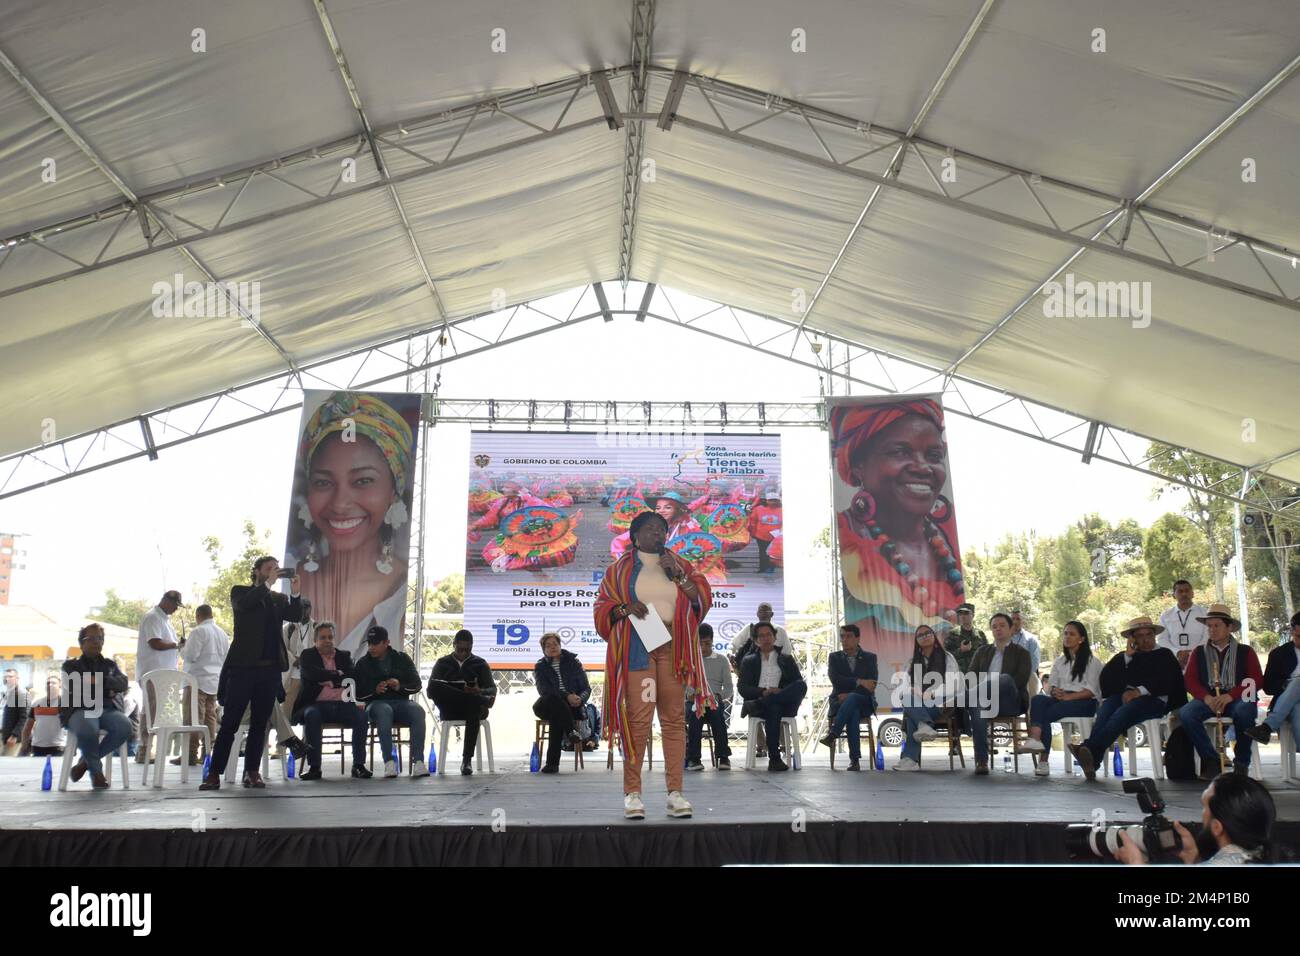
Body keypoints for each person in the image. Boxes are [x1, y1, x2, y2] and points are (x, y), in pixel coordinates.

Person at [594, 509, 714, 819]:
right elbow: (602, 608)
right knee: (639, 722)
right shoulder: (618, 570)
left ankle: (676, 793)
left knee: (674, 720)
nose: (658, 534)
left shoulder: (679, 564)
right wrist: (622, 608)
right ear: (635, 536)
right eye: (650, 529)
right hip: (638, 646)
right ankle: (633, 795)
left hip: (674, 647)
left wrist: (681, 576)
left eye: (661, 529)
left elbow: (700, 599)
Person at [830, 399, 966, 671]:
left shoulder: (945, 544)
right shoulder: (852, 545)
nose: (922, 467)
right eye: (900, 452)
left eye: (934, 456)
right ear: (858, 465)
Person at [289, 392, 415, 655]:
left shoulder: (402, 593)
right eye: (323, 482)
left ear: (393, 489)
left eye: (363, 481)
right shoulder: (290, 577)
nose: (340, 503)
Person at [199, 557, 302, 790]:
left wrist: (295, 594)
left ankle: (252, 772)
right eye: (269, 569)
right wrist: (266, 585)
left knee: (260, 724)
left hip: (269, 669)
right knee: (230, 723)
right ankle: (214, 773)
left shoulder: (278, 599)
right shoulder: (240, 592)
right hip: (242, 668)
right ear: (256, 571)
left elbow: (295, 615)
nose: (273, 572)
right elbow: (245, 606)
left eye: (276, 569)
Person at [1069, 616, 1186, 781]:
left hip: (1155, 700)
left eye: (1148, 635)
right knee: (1107, 708)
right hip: (1126, 697)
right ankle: (1091, 759)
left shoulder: (1164, 655)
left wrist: (1139, 691)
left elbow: (1168, 682)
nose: (1145, 639)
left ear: (1154, 635)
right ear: (1133, 638)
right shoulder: (1126, 657)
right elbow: (1107, 681)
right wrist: (1127, 657)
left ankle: (1088, 750)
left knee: (1123, 712)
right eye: (1140, 636)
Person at [1117, 773, 1281, 865]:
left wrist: (1135, 862)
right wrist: (1193, 859)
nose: (1202, 814)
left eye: (1205, 807)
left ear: (1217, 827)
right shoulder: (1268, 858)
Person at [1178, 604, 1264, 778]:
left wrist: (1230, 695)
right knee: (1187, 713)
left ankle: (1241, 763)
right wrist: (1206, 697)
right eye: (1209, 626)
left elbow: (1256, 680)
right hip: (1209, 698)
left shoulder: (1245, 651)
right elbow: (1189, 680)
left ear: (1229, 627)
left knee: (1245, 711)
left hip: (1239, 697)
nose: (1212, 630)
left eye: (1216, 625)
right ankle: (1211, 759)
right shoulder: (1199, 652)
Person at [1023, 620, 1101, 776]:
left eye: (1072, 634)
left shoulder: (1092, 661)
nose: (1067, 637)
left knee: (1047, 712)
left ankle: (1042, 758)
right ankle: (1037, 739)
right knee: (1038, 699)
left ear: (1081, 639)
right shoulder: (1060, 661)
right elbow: (1051, 685)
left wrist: (1068, 697)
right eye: (1065, 633)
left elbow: (1091, 691)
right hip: (1062, 698)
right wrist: (1054, 692)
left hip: (1085, 701)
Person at [294, 621, 371, 780]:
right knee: (311, 716)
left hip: (342, 704)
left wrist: (326, 679)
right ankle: (314, 767)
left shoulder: (344, 655)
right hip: (316, 705)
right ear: (315, 641)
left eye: (330, 637)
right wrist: (337, 675)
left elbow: (352, 677)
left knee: (362, 717)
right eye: (323, 637)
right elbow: (312, 675)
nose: (327, 640)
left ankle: (358, 765)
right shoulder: (307, 655)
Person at [60, 624, 133, 789]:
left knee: (124, 726)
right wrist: (108, 687)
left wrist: (98, 681)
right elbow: (76, 686)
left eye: (100, 638)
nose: (96, 642)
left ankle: (84, 764)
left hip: (107, 709)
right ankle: (97, 773)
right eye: (91, 638)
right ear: (81, 643)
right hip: (79, 709)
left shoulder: (110, 665)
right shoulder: (71, 666)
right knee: (88, 727)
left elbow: (123, 683)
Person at [353, 625, 427, 778]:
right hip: (376, 704)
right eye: (369, 643)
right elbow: (358, 694)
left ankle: (418, 762)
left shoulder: (402, 658)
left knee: (418, 711)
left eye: (375, 643)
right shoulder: (362, 663)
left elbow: (417, 684)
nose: (371, 647)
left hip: (401, 702)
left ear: (386, 642)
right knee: (384, 711)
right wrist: (375, 690)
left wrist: (399, 685)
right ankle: (389, 762)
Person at [966, 613, 1032, 775]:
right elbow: (970, 677)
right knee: (977, 706)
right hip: (986, 701)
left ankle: (962, 699)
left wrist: (991, 688)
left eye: (1002, 625)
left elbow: (1021, 681)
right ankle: (982, 760)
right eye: (994, 626)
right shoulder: (982, 651)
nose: (998, 629)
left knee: (1005, 679)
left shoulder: (1021, 652)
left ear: (1011, 629)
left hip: (1010, 700)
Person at [737, 621, 807, 771]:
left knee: (801, 685)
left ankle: (763, 702)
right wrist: (763, 692)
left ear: (775, 637)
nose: (766, 638)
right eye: (761, 636)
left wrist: (779, 691)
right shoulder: (749, 661)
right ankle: (774, 759)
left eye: (769, 634)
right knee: (773, 706)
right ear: (756, 640)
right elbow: (742, 688)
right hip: (763, 703)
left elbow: (798, 684)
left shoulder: (786, 659)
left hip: (784, 704)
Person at [428, 629, 497, 775]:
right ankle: (475, 699)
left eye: (467, 649)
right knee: (435, 685)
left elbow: (492, 689)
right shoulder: (443, 663)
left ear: (472, 646)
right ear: (454, 645)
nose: (464, 653)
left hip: (473, 709)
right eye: (460, 649)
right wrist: (458, 690)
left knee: (473, 706)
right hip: (450, 707)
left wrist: (479, 691)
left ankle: (467, 760)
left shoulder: (480, 663)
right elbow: (431, 691)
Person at [894, 623, 960, 771]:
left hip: (942, 703)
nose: (925, 637)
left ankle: (910, 759)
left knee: (912, 714)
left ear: (934, 636)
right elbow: (901, 687)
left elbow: (953, 684)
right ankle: (924, 725)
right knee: (906, 697)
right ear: (916, 641)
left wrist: (932, 693)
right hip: (919, 703)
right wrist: (912, 689)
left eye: (928, 633)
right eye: (920, 635)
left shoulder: (947, 657)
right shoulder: (911, 663)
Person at [819, 623, 878, 770]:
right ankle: (854, 760)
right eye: (842, 637)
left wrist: (851, 692)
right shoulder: (834, 657)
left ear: (858, 638)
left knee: (853, 700)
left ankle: (834, 733)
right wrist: (859, 681)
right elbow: (836, 680)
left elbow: (871, 685)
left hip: (865, 700)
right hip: (839, 701)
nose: (844, 640)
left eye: (849, 636)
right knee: (853, 712)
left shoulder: (870, 658)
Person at [532, 632, 592, 773]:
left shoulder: (573, 662)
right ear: (543, 649)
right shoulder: (541, 666)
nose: (552, 647)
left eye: (555, 644)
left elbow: (586, 688)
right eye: (548, 645)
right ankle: (571, 730)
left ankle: (552, 764)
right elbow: (544, 690)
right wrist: (567, 696)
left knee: (557, 716)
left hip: (570, 708)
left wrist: (580, 699)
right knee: (554, 700)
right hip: (546, 704)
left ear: (560, 645)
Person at [134, 589, 182, 764]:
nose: (176, 609)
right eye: (175, 605)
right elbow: (155, 642)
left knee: (152, 710)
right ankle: (145, 748)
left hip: (161, 674)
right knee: (150, 710)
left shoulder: (163, 619)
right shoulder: (153, 617)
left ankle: (146, 748)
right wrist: (176, 645)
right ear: (166, 601)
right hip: (153, 672)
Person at [179, 604, 228, 766]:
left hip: (196, 681)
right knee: (210, 717)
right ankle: (208, 752)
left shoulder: (198, 631)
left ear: (198, 616)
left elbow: (190, 656)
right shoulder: (222, 634)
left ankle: (190, 754)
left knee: (193, 719)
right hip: (215, 681)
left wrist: (182, 647)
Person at [1247, 610, 1300, 750]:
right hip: (1287, 702)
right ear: (1291, 632)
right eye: (1298, 636)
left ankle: (1267, 727)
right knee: (1298, 708)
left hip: (1283, 706)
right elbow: (1268, 686)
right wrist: (1287, 686)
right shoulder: (1279, 654)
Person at [685, 623, 733, 771]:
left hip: (714, 701)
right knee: (695, 714)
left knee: (717, 713)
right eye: (700, 644)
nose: (704, 648)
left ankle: (723, 757)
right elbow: (684, 685)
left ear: (712, 641)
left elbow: (729, 688)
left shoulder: (722, 660)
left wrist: (718, 696)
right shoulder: (691, 661)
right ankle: (694, 759)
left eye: (707, 643)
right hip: (694, 701)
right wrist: (691, 694)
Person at [610, 491, 701, 559]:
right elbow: (618, 542)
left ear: (677, 509)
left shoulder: (688, 524)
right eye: (658, 508)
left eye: (668, 507)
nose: (661, 511)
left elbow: (702, 542)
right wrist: (623, 562)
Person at [1157, 579, 1209, 667]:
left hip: (1199, 659)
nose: (1184, 594)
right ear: (1174, 595)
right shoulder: (1165, 616)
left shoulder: (1204, 613)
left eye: (1187, 591)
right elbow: (1162, 639)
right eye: (1180, 591)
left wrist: (1192, 653)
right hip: (1173, 661)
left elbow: (1208, 636)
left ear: (1192, 593)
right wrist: (1178, 653)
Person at [729, 603, 790, 670]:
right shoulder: (749, 629)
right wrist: (730, 654)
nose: (763, 614)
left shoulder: (780, 630)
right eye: (761, 611)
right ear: (757, 614)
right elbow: (733, 644)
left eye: (766, 611)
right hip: (752, 670)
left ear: (772, 614)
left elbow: (787, 651)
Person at [24, 675, 66, 757]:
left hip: (57, 747)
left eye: (53, 683)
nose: (50, 685)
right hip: (37, 746)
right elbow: (28, 727)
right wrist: (24, 745)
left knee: (55, 769)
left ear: (60, 685)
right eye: (48, 683)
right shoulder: (36, 703)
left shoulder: (65, 704)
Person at [747, 487, 783, 574]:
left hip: (776, 537)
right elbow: (753, 521)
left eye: (775, 500)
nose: (773, 502)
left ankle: (770, 569)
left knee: (773, 554)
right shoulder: (758, 509)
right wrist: (752, 533)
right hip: (761, 536)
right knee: (762, 553)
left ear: (779, 501)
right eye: (770, 500)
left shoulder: (782, 510)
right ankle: (762, 568)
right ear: (766, 500)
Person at [944, 602, 986, 672]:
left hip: (978, 674)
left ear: (973, 615)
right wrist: (961, 651)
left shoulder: (980, 634)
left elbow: (986, 655)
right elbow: (947, 657)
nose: (963, 616)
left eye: (966, 613)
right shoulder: (952, 634)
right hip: (959, 674)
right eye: (960, 614)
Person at [1, 668, 29, 754]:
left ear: (17, 678)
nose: (7, 679)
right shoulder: (5, 693)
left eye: (10, 676)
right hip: (2, 734)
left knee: (8, 764)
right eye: (5, 677)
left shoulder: (21, 694)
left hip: (11, 737)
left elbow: (24, 717)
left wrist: (14, 735)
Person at [1009, 610, 1041, 675]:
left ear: (1023, 621)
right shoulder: (1003, 639)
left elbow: (1035, 663)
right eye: (1013, 619)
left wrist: (1022, 677)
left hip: (1027, 678)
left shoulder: (1031, 639)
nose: (1015, 621)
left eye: (1018, 619)